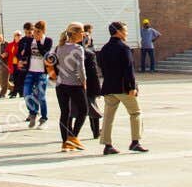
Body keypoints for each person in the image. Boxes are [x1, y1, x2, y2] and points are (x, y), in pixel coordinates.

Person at [97, 22, 148, 154]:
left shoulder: (104, 49)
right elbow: (128, 69)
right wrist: (132, 86)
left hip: (108, 87)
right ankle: (135, 142)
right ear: (118, 32)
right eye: (125, 30)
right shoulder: (124, 48)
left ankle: (107, 145)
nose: (126, 33)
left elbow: (101, 65)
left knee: (108, 117)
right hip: (123, 87)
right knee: (135, 113)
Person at [48, 23, 90, 152]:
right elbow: (81, 68)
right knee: (83, 110)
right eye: (82, 32)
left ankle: (65, 142)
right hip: (74, 84)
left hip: (61, 85)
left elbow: (52, 62)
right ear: (76, 33)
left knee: (65, 113)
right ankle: (73, 137)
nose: (84, 34)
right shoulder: (78, 48)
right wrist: (84, 82)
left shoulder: (59, 47)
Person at [20, 21, 52, 128]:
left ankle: (44, 118)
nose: (35, 33)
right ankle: (33, 112)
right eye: (34, 31)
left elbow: (45, 54)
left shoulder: (47, 40)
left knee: (41, 96)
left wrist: (38, 42)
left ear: (43, 31)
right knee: (26, 93)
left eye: (38, 31)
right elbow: (28, 54)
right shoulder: (30, 40)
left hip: (42, 73)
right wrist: (22, 58)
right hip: (31, 71)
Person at [81, 26, 104, 141]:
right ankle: (95, 131)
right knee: (93, 109)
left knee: (72, 110)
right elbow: (93, 73)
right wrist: (97, 89)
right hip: (89, 85)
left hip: (74, 85)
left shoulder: (72, 51)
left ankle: (70, 133)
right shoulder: (89, 54)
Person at [0, 33, 13, 98]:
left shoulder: (6, 44)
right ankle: (16, 89)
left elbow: (10, 52)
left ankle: (2, 94)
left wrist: (6, 54)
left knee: (4, 81)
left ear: (2, 37)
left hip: (5, 64)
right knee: (4, 81)